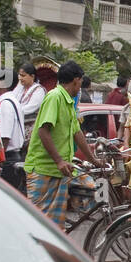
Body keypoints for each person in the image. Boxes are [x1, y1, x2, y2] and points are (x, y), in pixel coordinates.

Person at [23, 60, 98, 228]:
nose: (80, 86)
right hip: (44, 169)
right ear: (76, 80)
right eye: (80, 83)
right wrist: (59, 160)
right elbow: (44, 130)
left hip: (60, 171)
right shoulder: (55, 97)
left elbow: (77, 133)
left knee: (55, 228)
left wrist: (94, 160)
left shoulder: (69, 102)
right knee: (39, 225)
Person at [0, 62, 44, 154]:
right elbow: (13, 99)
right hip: (18, 123)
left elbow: (31, 108)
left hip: (30, 128)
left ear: (32, 76)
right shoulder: (20, 88)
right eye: (20, 75)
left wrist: (14, 110)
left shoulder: (39, 90)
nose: (20, 78)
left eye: (23, 75)